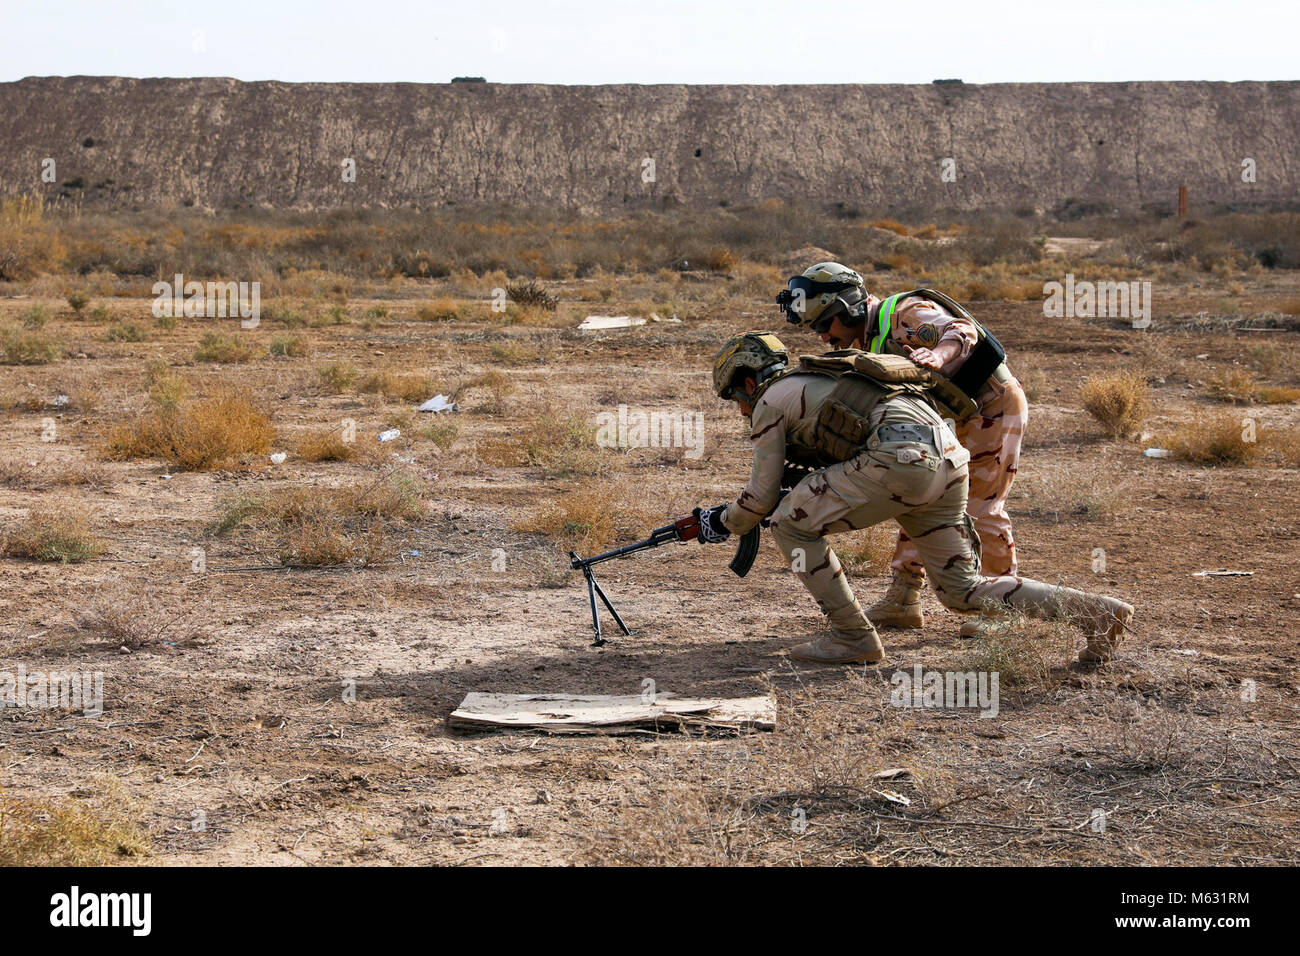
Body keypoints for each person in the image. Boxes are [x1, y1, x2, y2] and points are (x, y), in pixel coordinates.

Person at [695, 330, 1132, 665]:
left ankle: (852, 637)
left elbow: (759, 498)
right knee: (962, 591)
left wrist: (722, 522)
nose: (739, 408)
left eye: (735, 395)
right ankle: (1098, 613)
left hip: (899, 462)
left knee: (790, 523)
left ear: (749, 382)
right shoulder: (822, 376)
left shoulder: (771, 400)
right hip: (949, 464)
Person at [778, 263, 1027, 638]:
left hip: (990, 406)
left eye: (825, 324)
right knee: (920, 496)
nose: (824, 337)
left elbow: (961, 331)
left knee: (980, 505)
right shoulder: (866, 338)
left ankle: (1002, 610)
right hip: (943, 415)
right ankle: (904, 597)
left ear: (847, 310)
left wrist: (939, 356)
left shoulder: (903, 313)